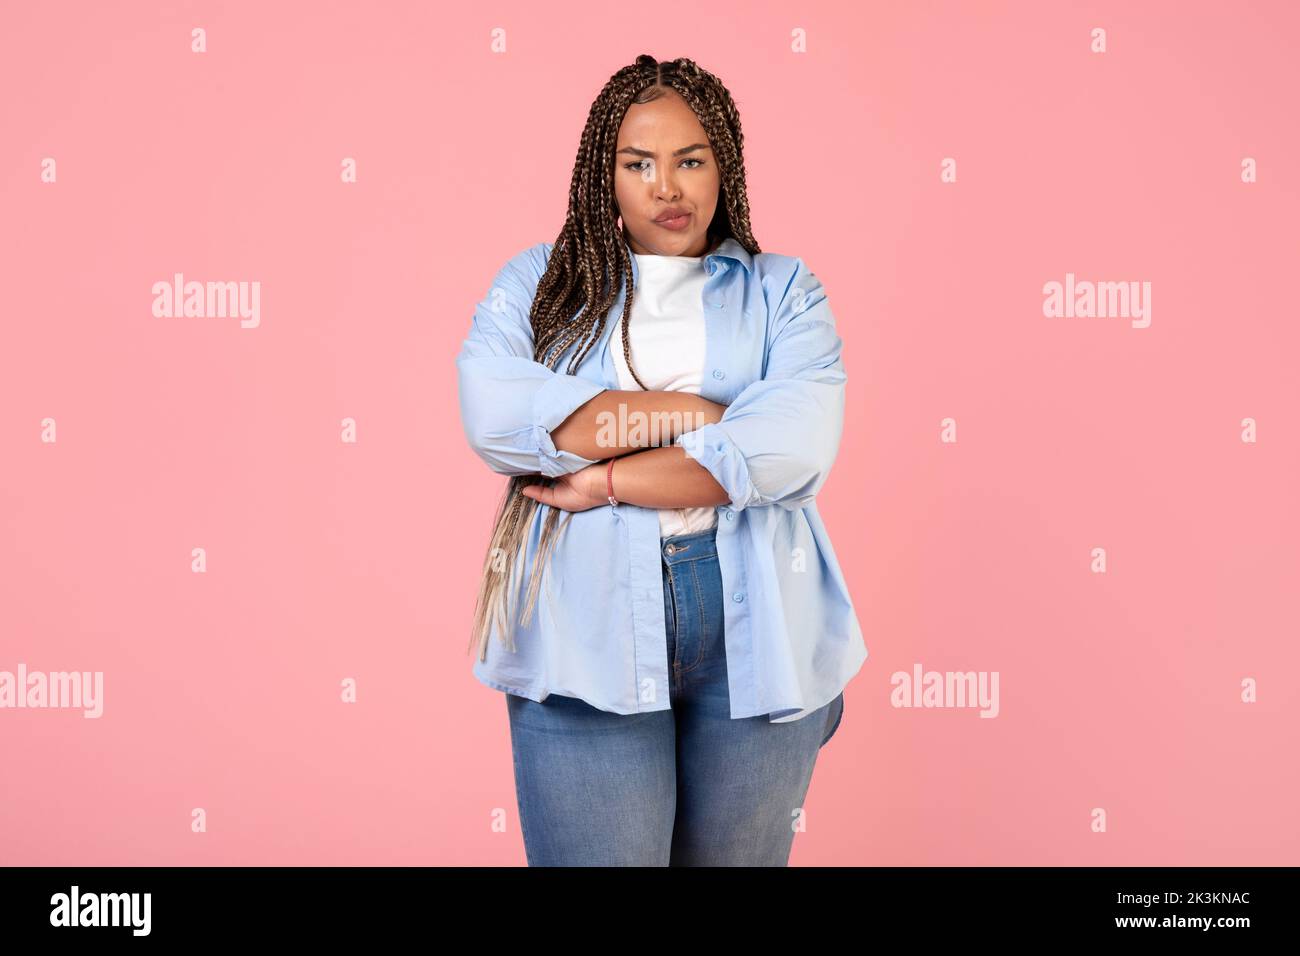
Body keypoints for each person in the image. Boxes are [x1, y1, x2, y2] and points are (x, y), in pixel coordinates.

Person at [456, 54, 867, 866]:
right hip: (587, 625)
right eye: (638, 164)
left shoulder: (784, 292)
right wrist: (708, 420)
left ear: (726, 165)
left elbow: (790, 450)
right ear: (601, 175)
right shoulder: (540, 285)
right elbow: (497, 416)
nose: (666, 187)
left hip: (761, 628)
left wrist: (604, 476)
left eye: (690, 160)